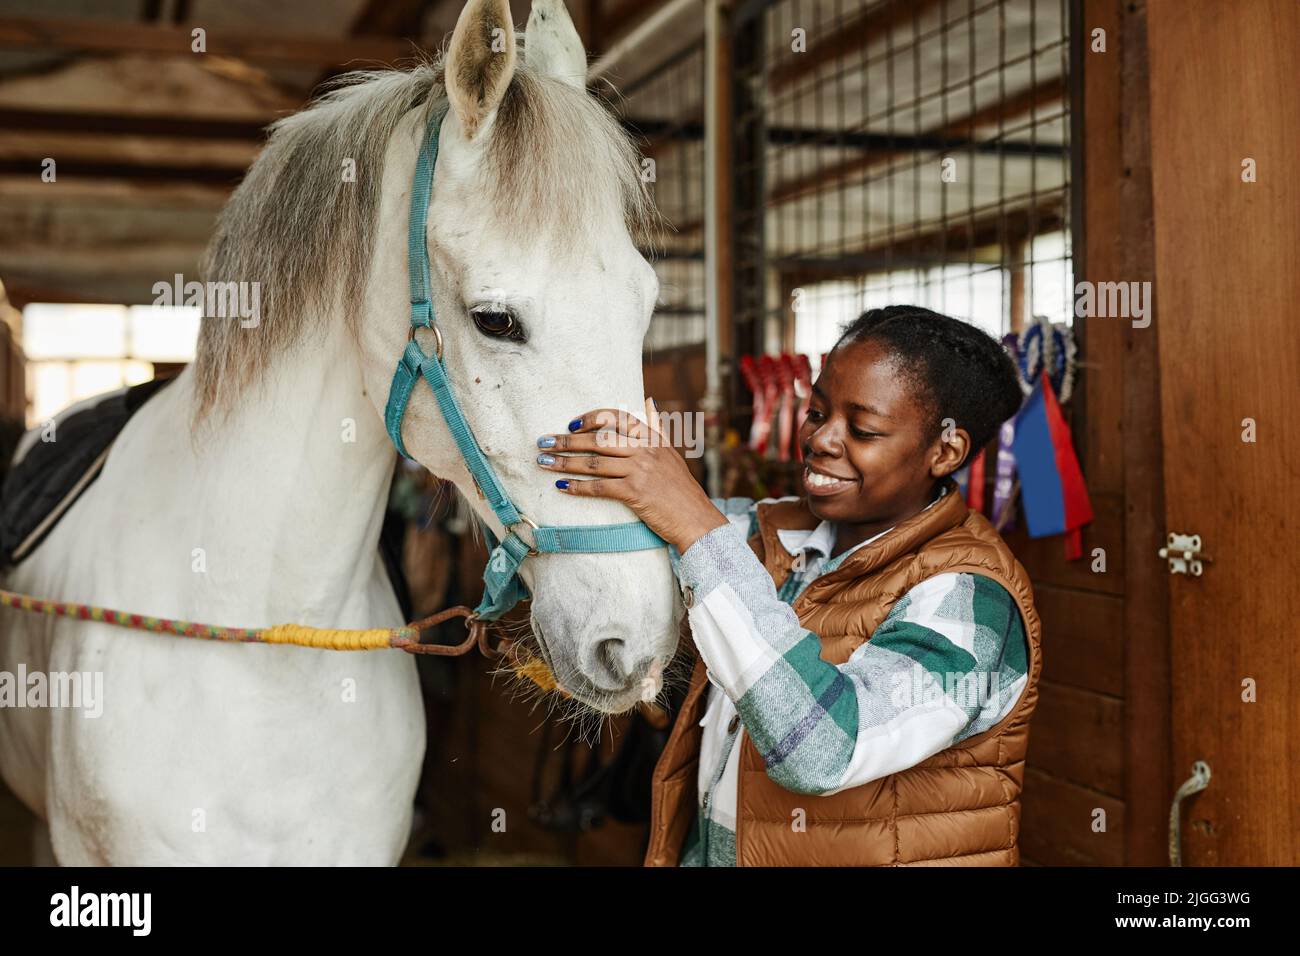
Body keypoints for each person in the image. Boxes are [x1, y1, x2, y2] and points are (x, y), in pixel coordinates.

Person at [534, 305, 1041, 866]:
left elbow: (823, 753)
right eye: (817, 411)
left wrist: (693, 521)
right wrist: (625, 466)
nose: (822, 439)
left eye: (863, 429)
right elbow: (642, 543)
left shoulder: (969, 597)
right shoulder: (771, 533)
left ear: (944, 451)